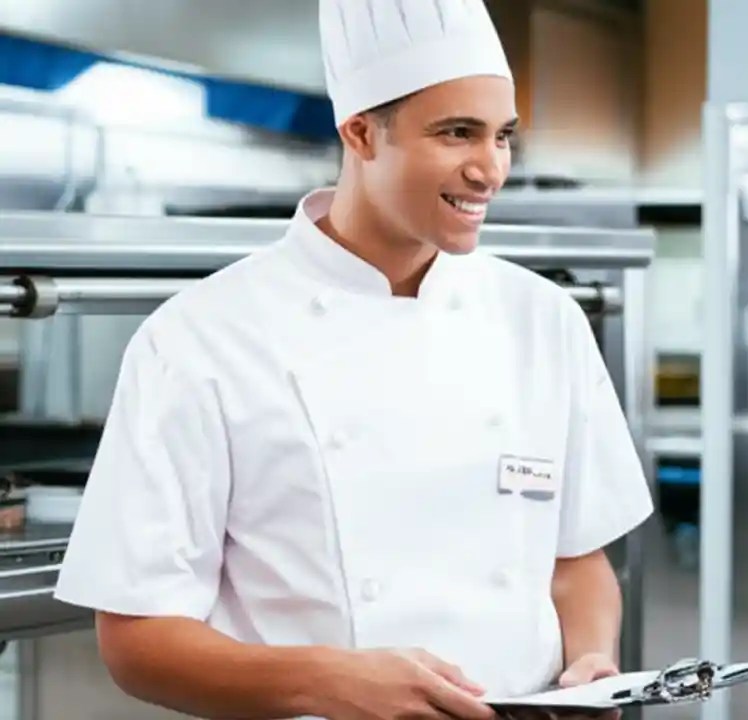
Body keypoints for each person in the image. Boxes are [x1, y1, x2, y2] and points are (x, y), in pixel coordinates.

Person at [52, 1, 653, 718]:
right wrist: (327, 681)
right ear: (361, 132)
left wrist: (589, 659)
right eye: (456, 132)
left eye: (503, 136)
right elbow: (136, 640)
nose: (489, 168)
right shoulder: (200, 338)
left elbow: (576, 561)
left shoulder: (542, 319)